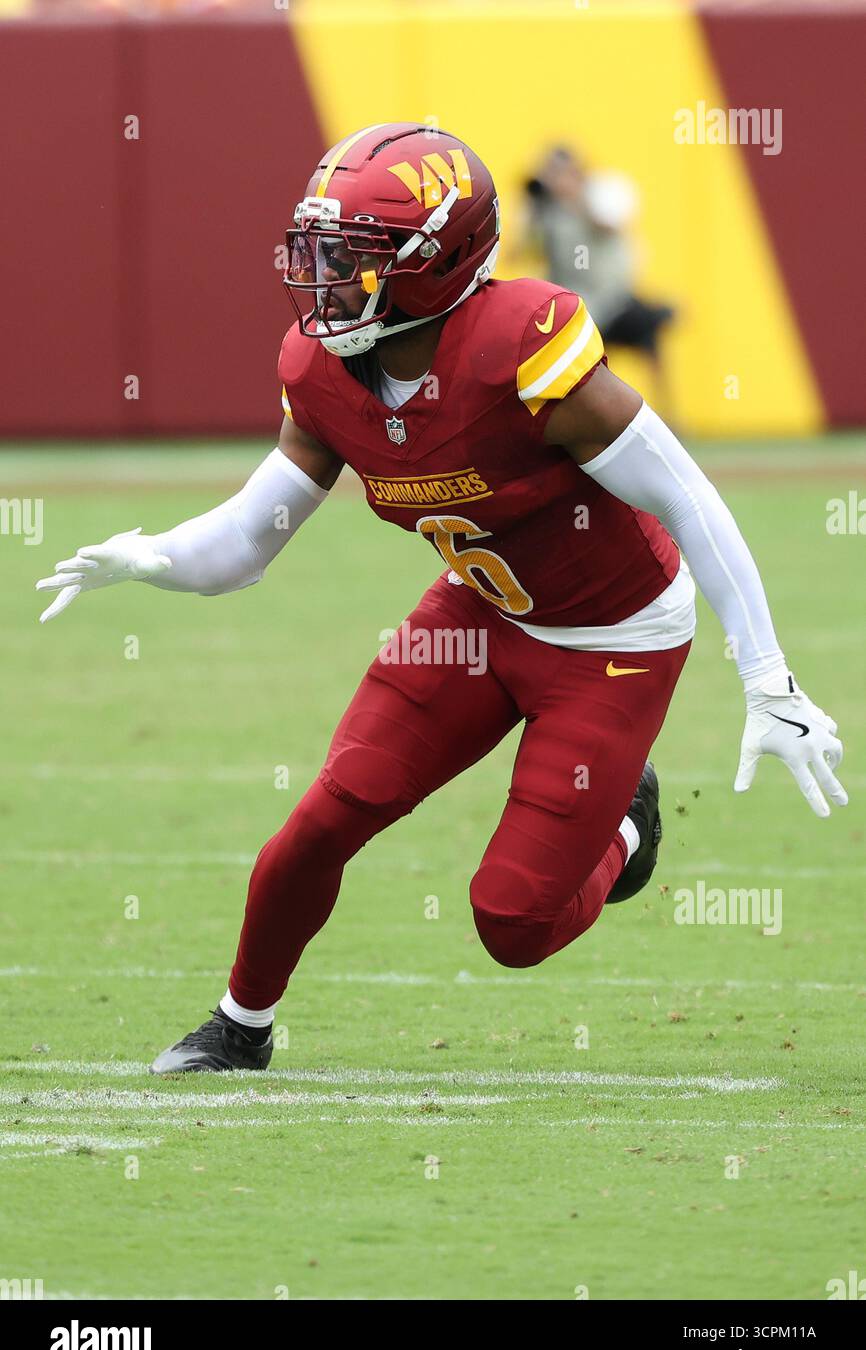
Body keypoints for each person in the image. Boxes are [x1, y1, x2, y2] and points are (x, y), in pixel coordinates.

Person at [36, 123, 846, 1074]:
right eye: (317, 251)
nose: (321, 279)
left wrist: (768, 679)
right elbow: (248, 541)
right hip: (481, 616)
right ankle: (240, 1027)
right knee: (321, 823)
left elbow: (688, 500)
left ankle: (629, 824)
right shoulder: (323, 370)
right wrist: (150, 557)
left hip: (614, 642)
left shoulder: (519, 351)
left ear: (435, 262)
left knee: (513, 922)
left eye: (349, 257)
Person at [524, 146, 676, 416]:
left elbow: (609, 223)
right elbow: (521, 251)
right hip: (572, 304)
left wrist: (577, 199)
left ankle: (668, 416)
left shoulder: (596, 196)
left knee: (650, 334)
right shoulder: (547, 213)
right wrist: (534, 210)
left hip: (612, 300)